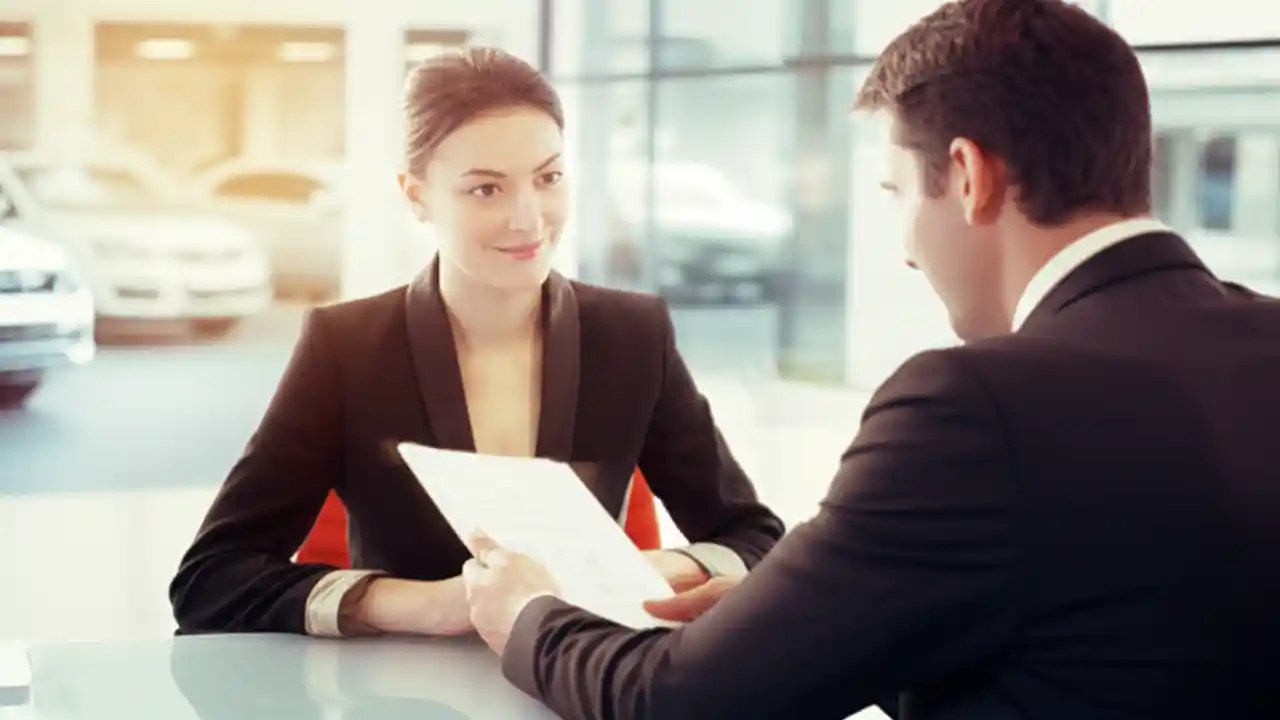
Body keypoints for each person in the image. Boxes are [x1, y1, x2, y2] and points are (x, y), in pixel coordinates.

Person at [460, 2, 1280, 718]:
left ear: (968, 177)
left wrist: (528, 613)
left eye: (895, 195)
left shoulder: (974, 406)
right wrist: (825, 613)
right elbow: (1112, 644)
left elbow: (677, 700)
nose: (906, 253)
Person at [169, 47, 784, 639]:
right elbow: (211, 579)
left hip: (583, 680)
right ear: (417, 196)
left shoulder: (631, 336)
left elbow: (755, 539)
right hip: (403, 690)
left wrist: (648, 569)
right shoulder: (347, 349)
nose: (528, 217)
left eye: (548, 178)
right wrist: (423, 605)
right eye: (486, 189)